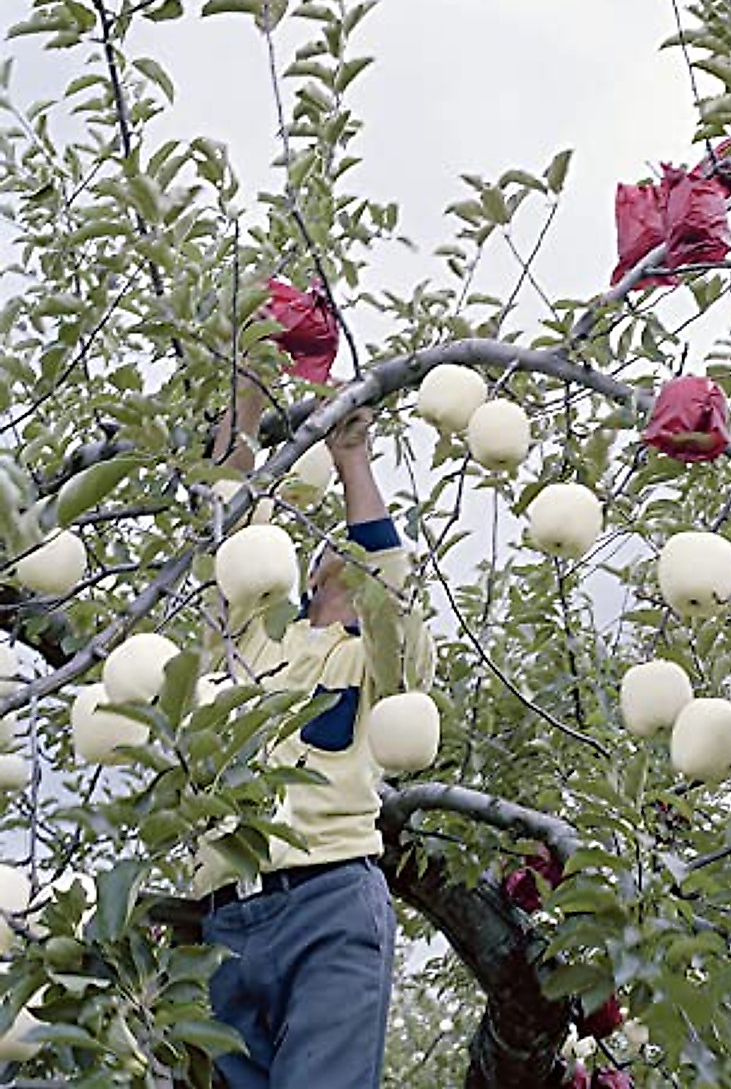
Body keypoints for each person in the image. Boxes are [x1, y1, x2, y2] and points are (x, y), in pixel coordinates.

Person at [197, 376, 435, 1088]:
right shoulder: (252, 639)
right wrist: (245, 388)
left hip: (327, 901)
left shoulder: (379, 663)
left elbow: (387, 584)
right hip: (225, 918)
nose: (348, 546)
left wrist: (351, 456)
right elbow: (227, 524)